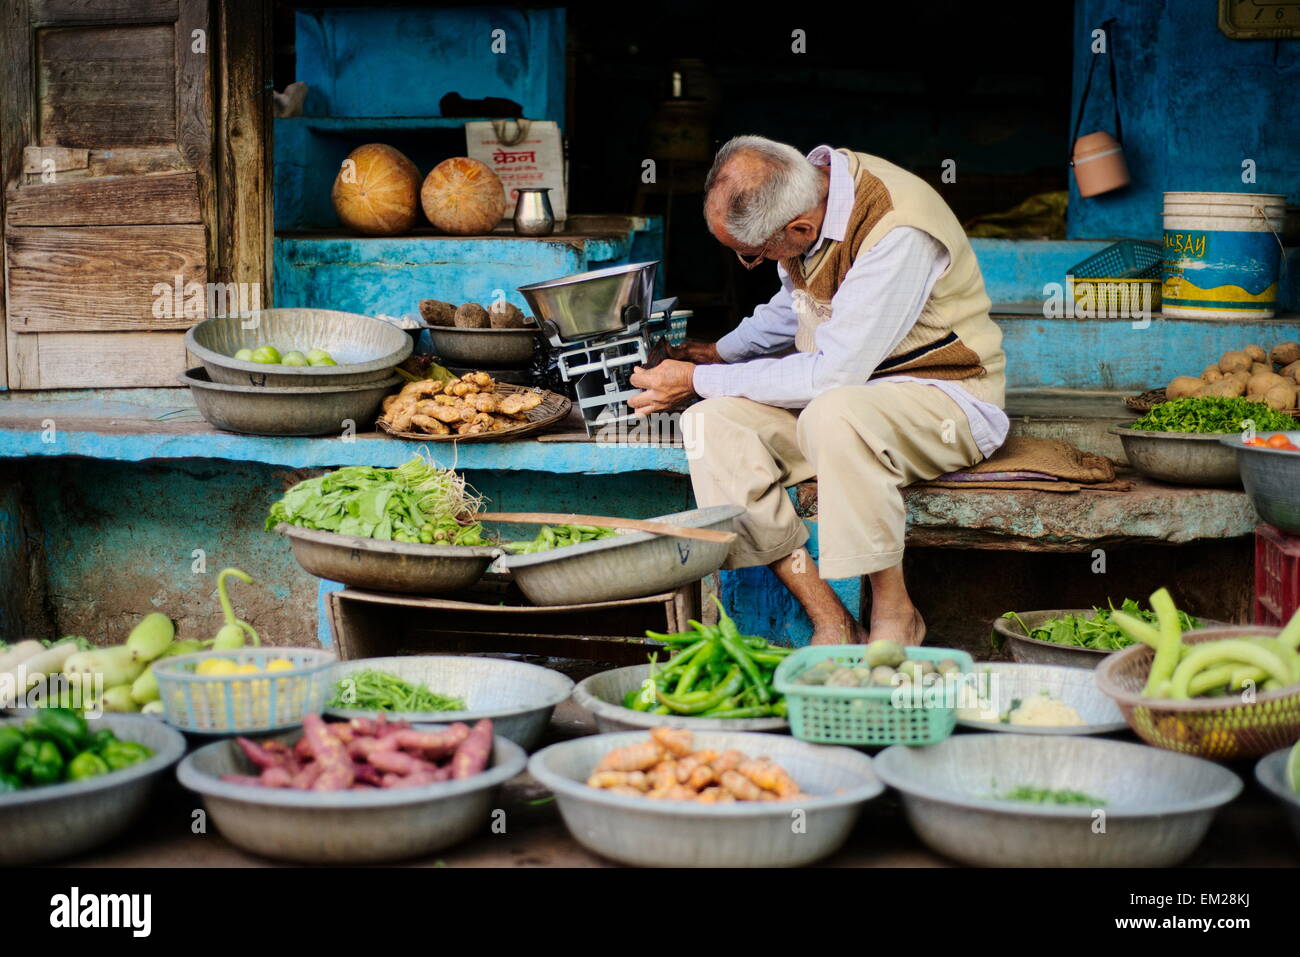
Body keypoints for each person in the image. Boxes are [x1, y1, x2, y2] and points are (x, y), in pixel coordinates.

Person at [628, 136, 1008, 646]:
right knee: (709, 422)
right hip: (843, 406)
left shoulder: (898, 230)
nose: (755, 263)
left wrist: (696, 379)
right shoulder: (809, 192)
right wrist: (719, 353)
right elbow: (796, 302)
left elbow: (833, 377)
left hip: (944, 402)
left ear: (799, 230)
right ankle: (830, 617)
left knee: (835, 412)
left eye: (752, 255)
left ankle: (896, 611)